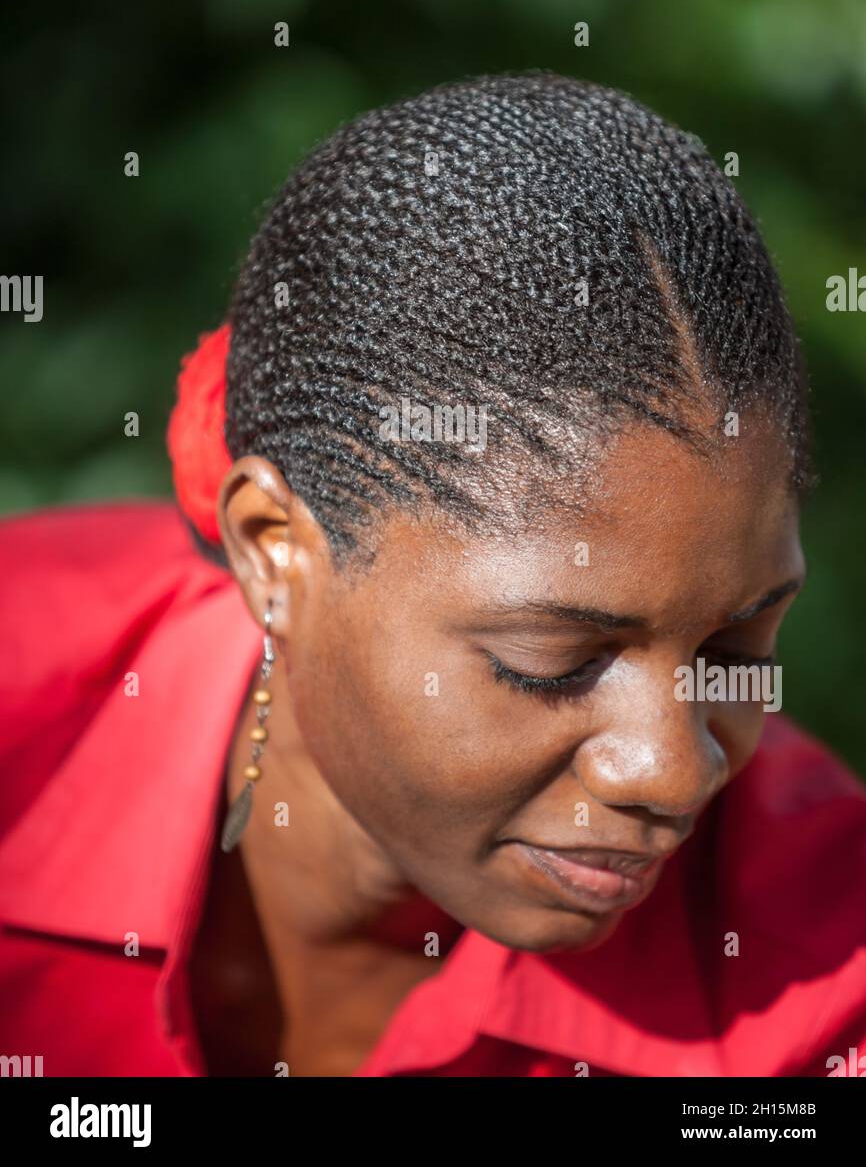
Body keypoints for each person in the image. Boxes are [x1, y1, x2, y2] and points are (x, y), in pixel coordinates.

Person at [1, 72, 864, 1078]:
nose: (672, 771)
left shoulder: (816, 980)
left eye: (734, 649)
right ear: (274, 549)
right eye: (551, 660)